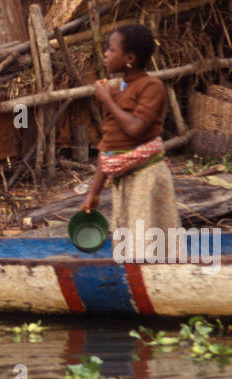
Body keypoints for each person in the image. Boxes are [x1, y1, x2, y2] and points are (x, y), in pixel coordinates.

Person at [77, 23, 179, 260]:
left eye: (111, 50)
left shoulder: (152, 87)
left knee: (149, 246)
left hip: (146, 177)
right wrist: (94, 192)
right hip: (123, 179)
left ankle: (156, 290)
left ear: (130, 58)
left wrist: (107, 101)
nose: (105, 54)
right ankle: (136, 289)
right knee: (129, 246)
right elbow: (109, 144)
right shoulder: (115, 89)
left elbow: (135, 128)